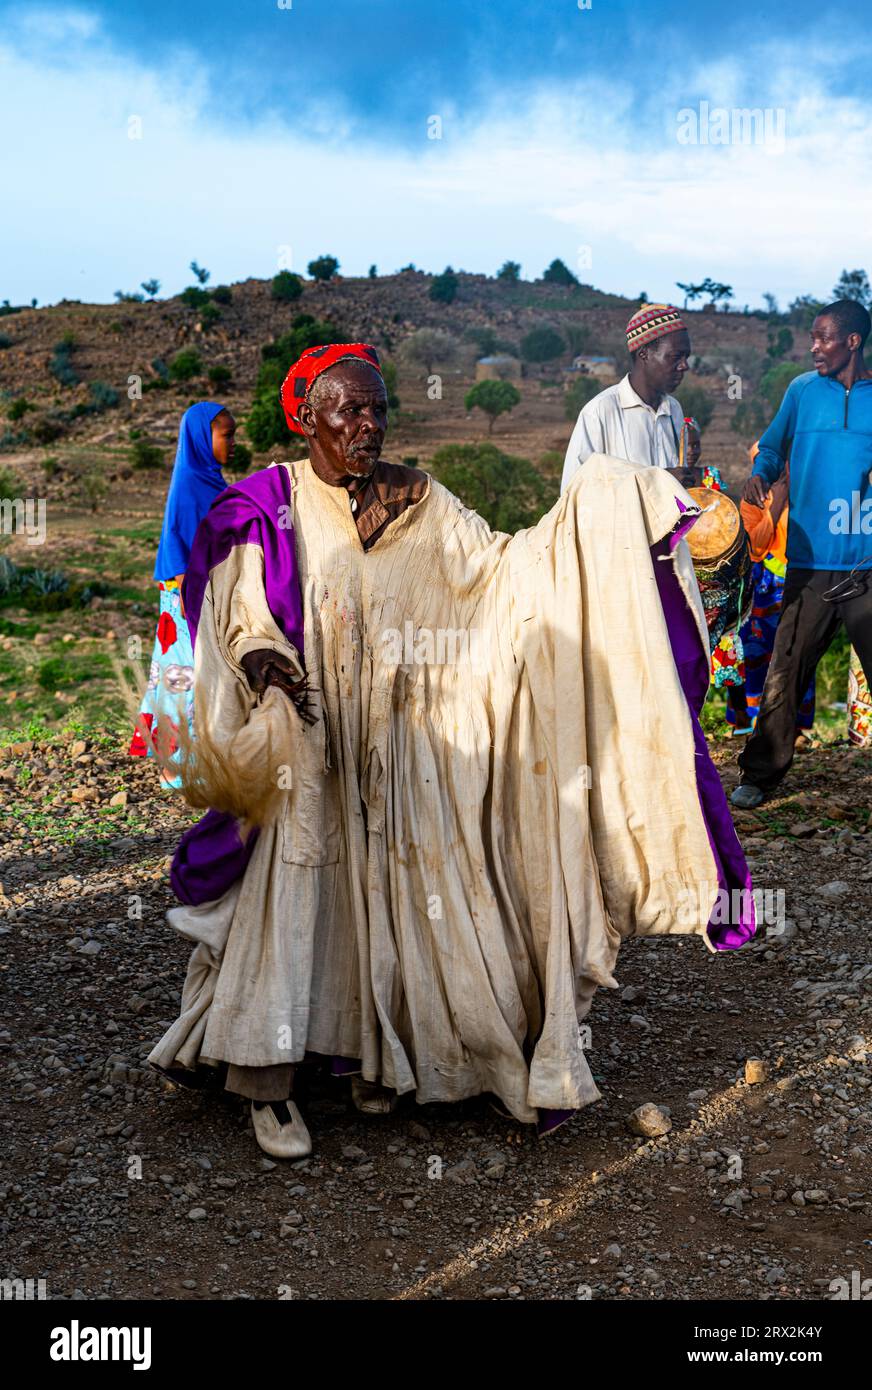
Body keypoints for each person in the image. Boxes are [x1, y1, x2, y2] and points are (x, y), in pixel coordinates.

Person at [149, 343, 754, 1160]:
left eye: (377, 410)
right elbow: (237, 603)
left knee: (396, 900)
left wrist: (611, 511)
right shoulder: (268, 506)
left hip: (406, 744)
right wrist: (264, 659)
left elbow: (508, 577)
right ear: (306, 419)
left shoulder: (419, 501)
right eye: (349, 411)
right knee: (292, 897)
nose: (368, 426)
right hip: (307, 729)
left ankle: (378, 1060)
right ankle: (266, 1084)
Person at [732, 300, 872, 807]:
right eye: (812, 337)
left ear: (852, 342)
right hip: (810, 563)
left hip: (866, 562)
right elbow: (772, 446)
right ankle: (760, 773)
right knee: (785, 671)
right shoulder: (801, 391)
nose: (813, 346)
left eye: (824, 337)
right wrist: (762, 473)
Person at [129, 403, 236, 788]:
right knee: (185, 675)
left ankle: (187, 763)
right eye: (227, 434)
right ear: (201, 439)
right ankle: (176, 768)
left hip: (198, 594)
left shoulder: (208, 481)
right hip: (185, 598)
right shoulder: (191, 484)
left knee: (189, 676)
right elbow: (178, 546)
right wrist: (193, 604)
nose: (234, 443)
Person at [561, 303, 690, 491]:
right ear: (644, 354)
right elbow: (574, 493)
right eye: (675, 357)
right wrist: (660, 479)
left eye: (686, 357)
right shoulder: (600, 411)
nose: (684, 365)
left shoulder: (674, 410)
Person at [676, 418, 752, 732]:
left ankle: (741, 718)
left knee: (726, 644)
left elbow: (723, 520)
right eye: (685, 445)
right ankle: (687, 717)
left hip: (717, 578)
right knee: (686, 648)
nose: (691, 451)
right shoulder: (665, 478)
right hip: (682, 574)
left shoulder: (710, 477)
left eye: (695, 444)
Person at [738, 454, 815, 739]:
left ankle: (795, 726)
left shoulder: (811, 492)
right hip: (766, 586)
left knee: (800, 647)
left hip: (803, 579)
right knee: (761, 653)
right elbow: (755, 548)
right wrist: (777, 504)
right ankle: (759, 721)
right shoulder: (753, 497)